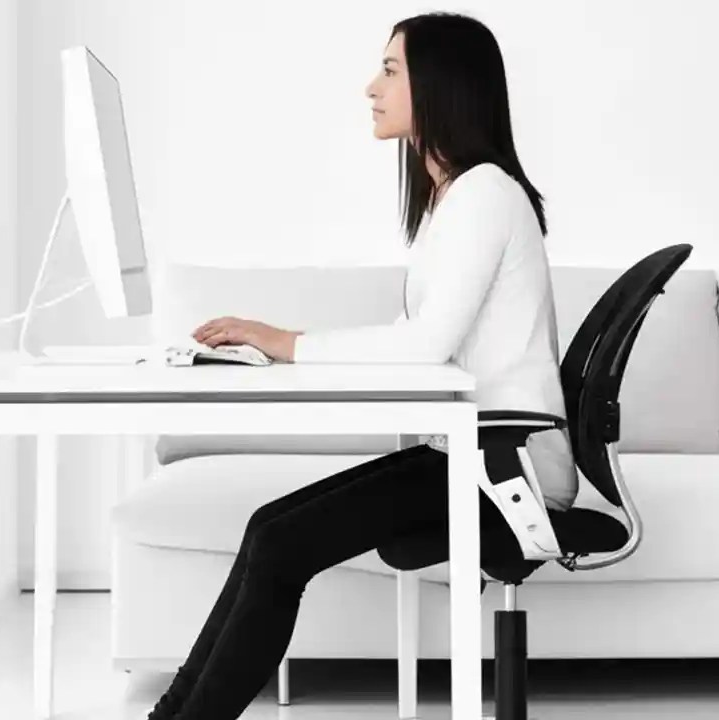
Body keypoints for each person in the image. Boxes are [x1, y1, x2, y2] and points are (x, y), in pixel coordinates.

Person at [147, 11, 574, 719]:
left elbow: (424, 347)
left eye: (391, 69)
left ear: (439, 84)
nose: (370, 87)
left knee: (282, 543)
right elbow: (419, 337)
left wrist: (285, 342)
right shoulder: (456, 198)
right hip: (467, 453)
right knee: (269, 531)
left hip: (502, 470)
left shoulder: (485, 195)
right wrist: (289, 341)